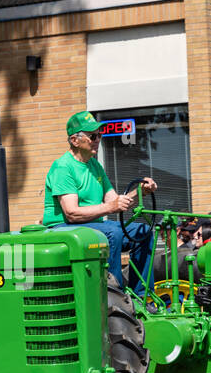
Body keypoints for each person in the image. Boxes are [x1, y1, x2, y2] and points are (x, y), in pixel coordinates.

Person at [42, 111, 157, 294]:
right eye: (92, 136)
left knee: (143, 231)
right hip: (62, 227)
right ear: (74, 140)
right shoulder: (63, 167)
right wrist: (111, 206)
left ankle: (141, 296)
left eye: (100, 135)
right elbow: (72, 213)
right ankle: (113, 298)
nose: (98, 139)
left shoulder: (95, 166)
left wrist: (140, 192)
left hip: (91, 225)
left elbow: (115, 201)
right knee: (112, 233)